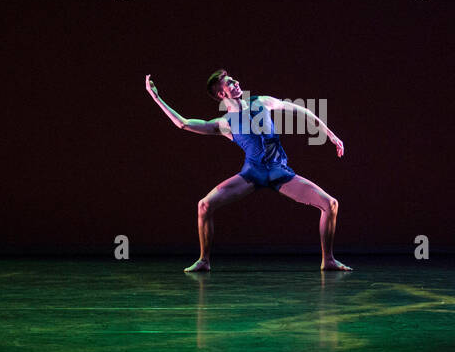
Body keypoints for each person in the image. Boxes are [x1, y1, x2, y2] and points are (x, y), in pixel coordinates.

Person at [145, 71, 351, 272]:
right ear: (221, 94)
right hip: (252, 174)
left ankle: (328, 260)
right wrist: (156, 97)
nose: (236, 82)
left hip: (280, 172)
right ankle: (204, 260)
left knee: (330, 204)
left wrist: (330, 135)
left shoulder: (262, 102)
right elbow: (184, 123)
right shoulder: (225, 123)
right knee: (204, 205)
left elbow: (300, 110)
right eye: (229, 82)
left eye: (234, 79)